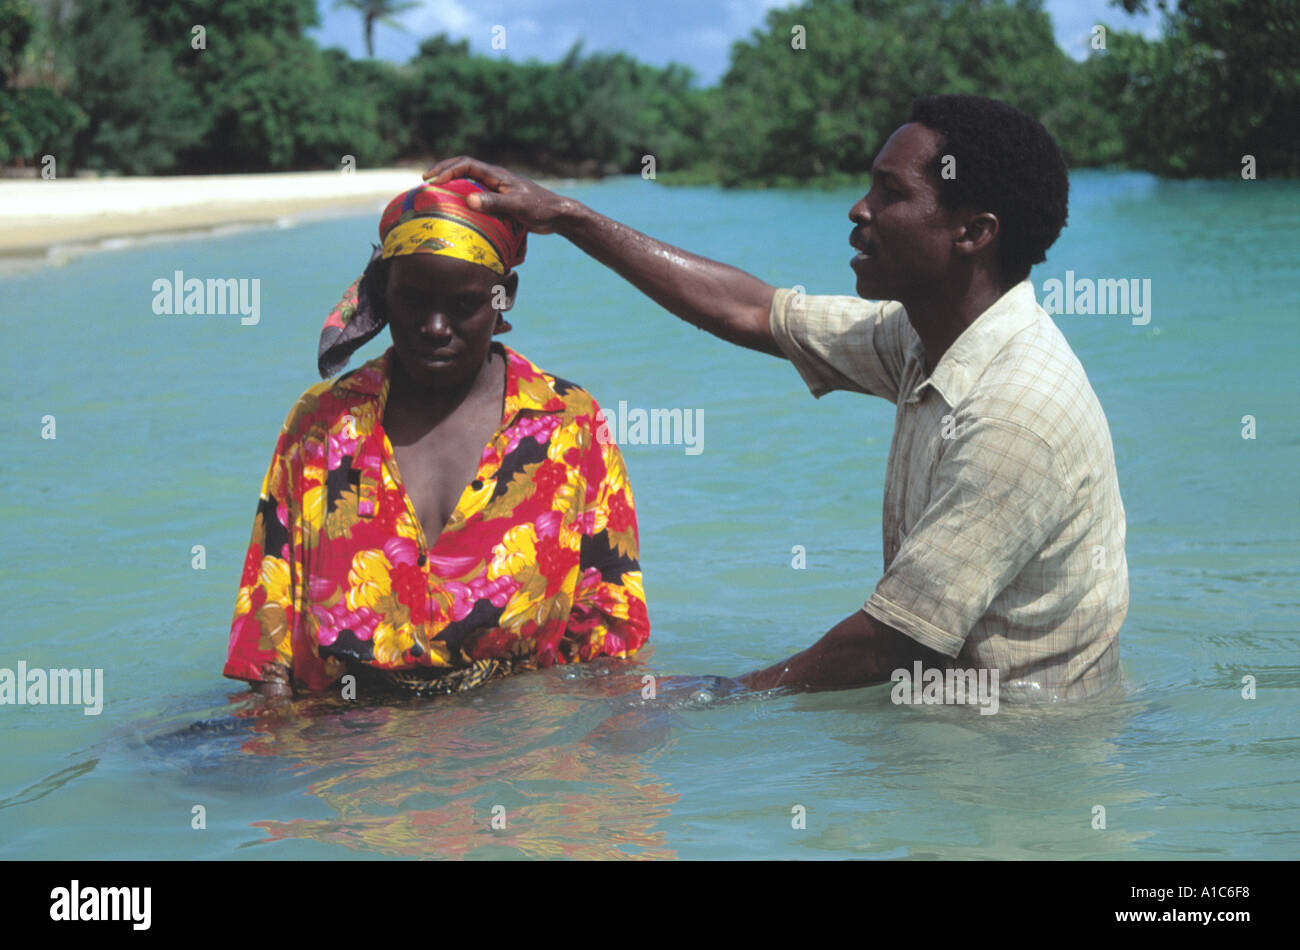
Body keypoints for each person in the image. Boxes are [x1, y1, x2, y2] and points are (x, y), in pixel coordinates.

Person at [423, 94, 1128, 703]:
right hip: (957, 729)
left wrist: (720, 696)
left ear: (973, 232)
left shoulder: (1014, 413)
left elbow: (896, 642)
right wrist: (569, 216)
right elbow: (753, 311)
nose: (860, 209)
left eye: (890, 193)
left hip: (1022, 753)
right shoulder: (925, 337)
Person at [223, 179, 649, 699]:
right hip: (344, 734)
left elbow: (609, 639)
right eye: (413, 301)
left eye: (463, 304)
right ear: (384, 290)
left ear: (505, 295)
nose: (436, 327)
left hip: (516, 735)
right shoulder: (322, 424)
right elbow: (267, 647)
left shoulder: (567, 425)